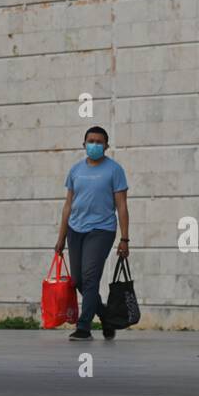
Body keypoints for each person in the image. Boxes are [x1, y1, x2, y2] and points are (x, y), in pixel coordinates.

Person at [52, 126, 130, 341]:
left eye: (99, 142)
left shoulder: (114, 170)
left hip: (102, 229)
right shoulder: (76, 170)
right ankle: (105, 317)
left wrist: (124, 239)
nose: (94, 145)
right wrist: (61, 238)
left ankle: (84, 327)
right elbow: (68, 205)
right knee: (77, 281)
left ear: (106, 146)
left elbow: (122, 206)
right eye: (90, 141)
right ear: (83, 144)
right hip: (75, 230)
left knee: (90, 277)